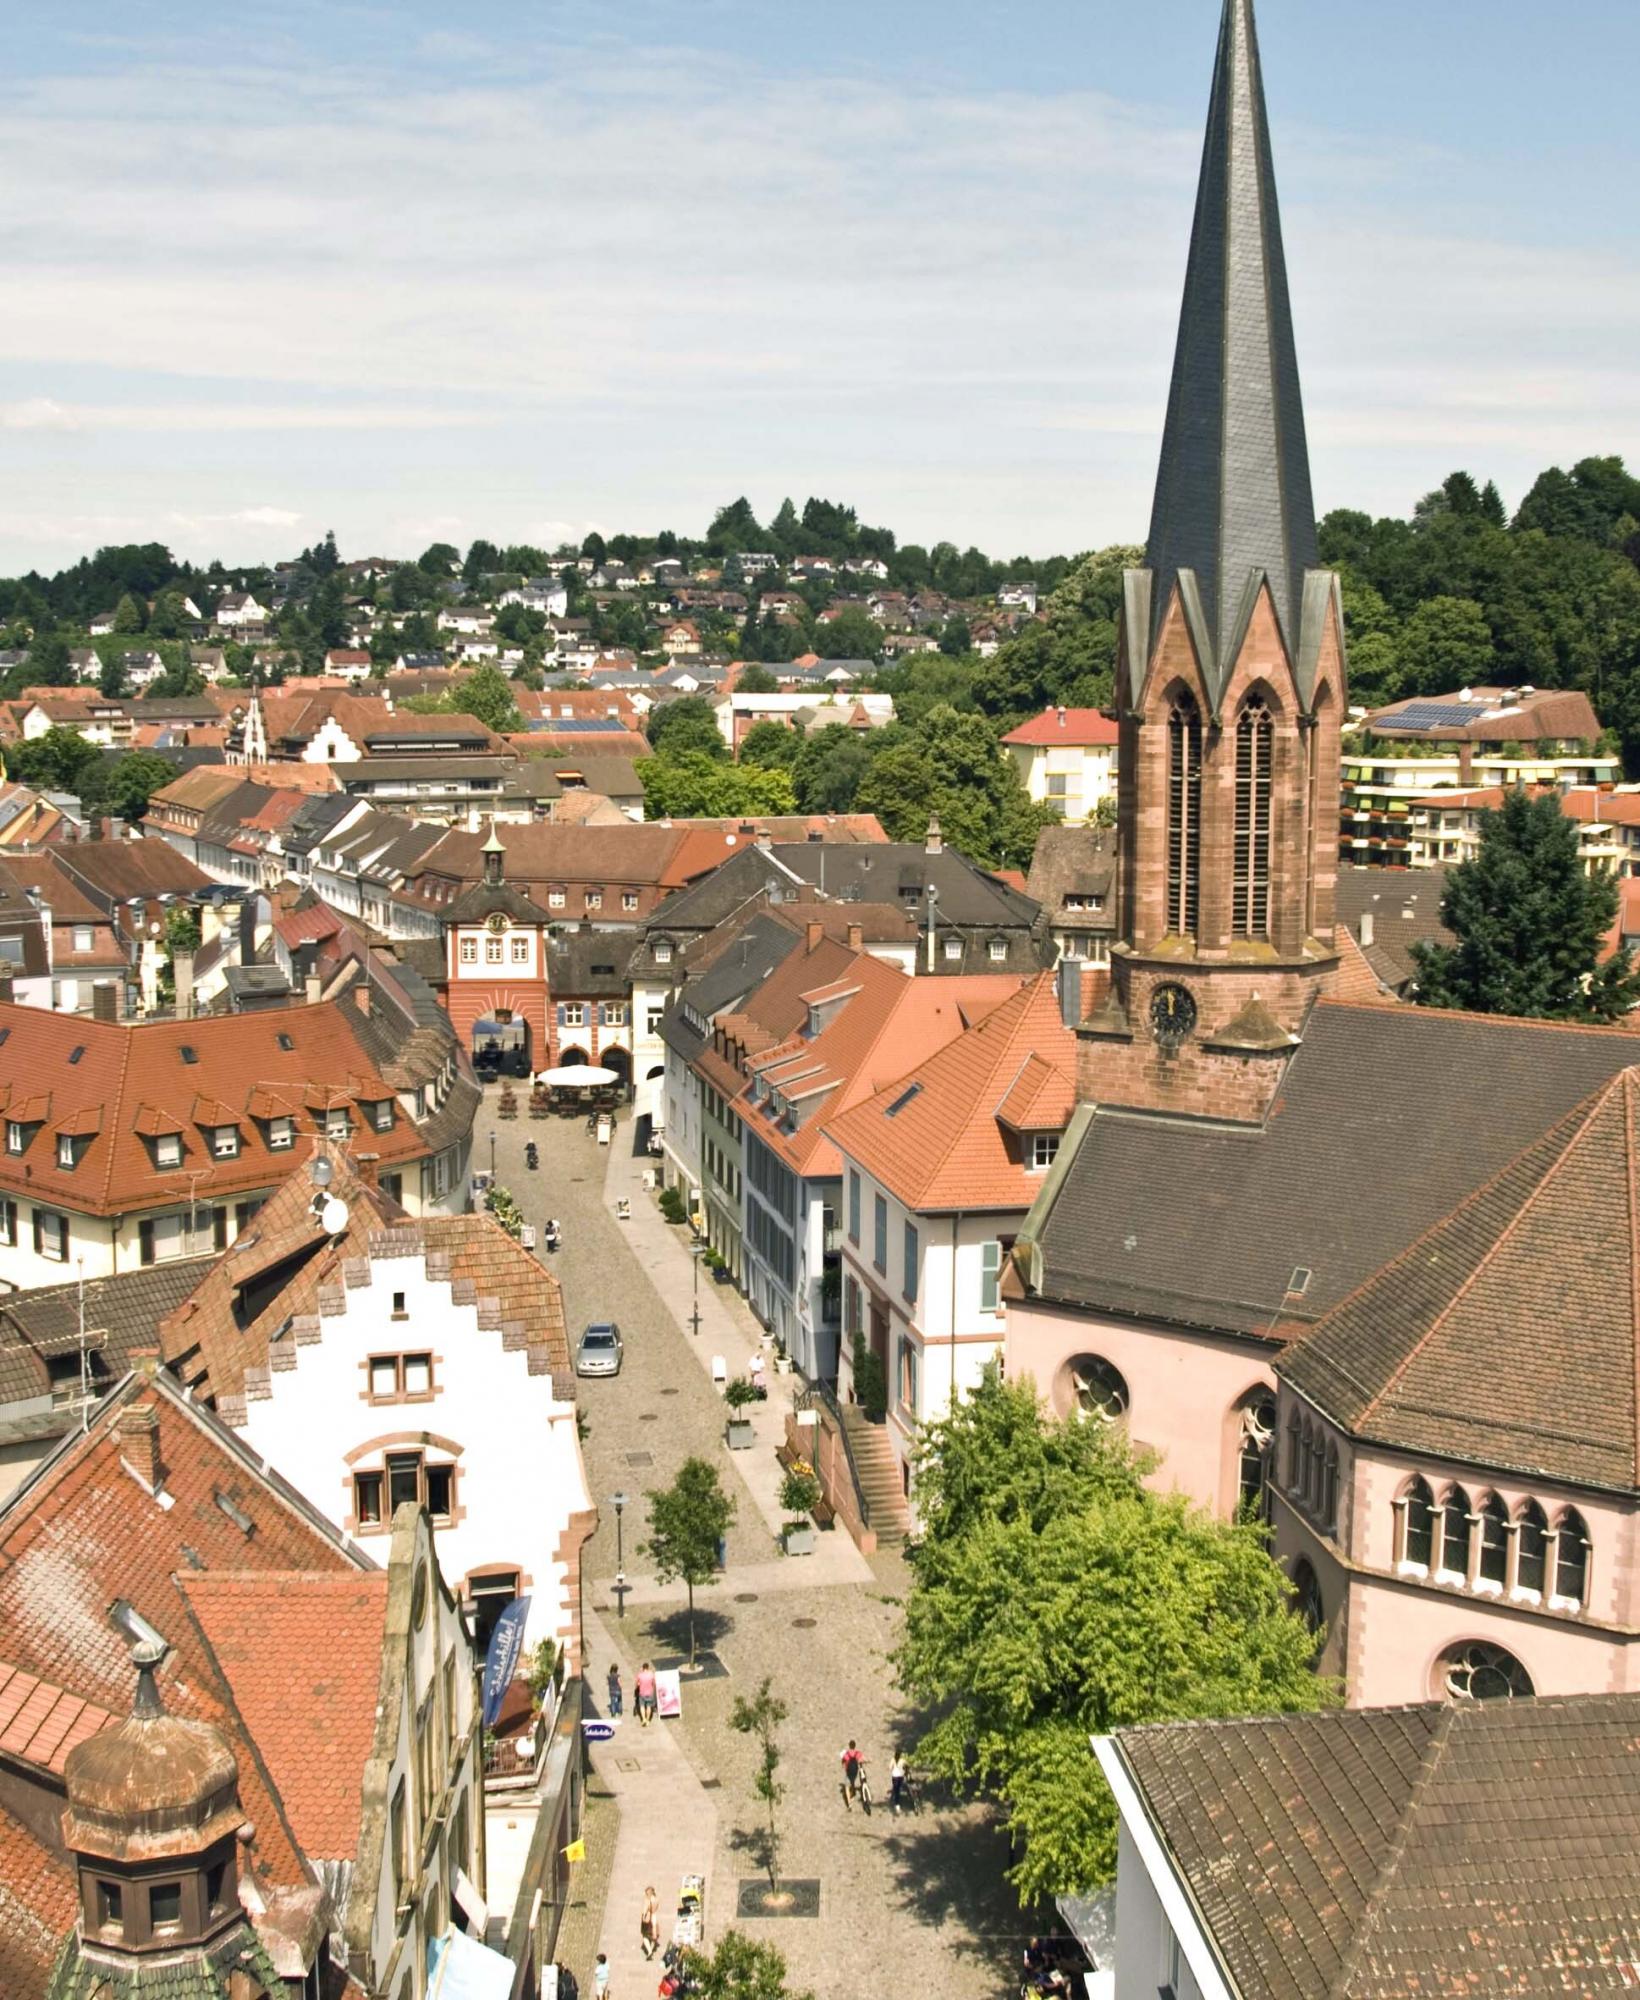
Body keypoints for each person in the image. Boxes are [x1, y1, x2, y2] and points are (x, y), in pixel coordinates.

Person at [839, 1739, 866, 1808]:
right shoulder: (858, 1753)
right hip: (855, 1771)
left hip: (849, 1772)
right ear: (855, 1746)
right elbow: (863, 1759)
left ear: (849, 1746)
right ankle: (853, 1792)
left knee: (847, 1787)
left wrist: (844, 1765)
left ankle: (849, 1803)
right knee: (852, 1781)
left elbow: (843, 1762)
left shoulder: (846, 1754)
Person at [634, 1660, 657, 1727]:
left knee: (642, 1706)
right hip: (650, 1693)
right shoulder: (651, 1674)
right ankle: (647, 1720)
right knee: (649, 1707)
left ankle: (643, 1719)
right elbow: (654, 1683)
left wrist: (638, 1685)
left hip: (642, 1693)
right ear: (648, 1668)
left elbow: (636, 1684)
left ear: (643, 1668)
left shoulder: (640, 1675)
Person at [640, 1884, 660, 1961]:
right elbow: (656, 1908)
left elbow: (644, 1911)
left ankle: (649, 1951)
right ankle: (653, 1947)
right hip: (654, 1918)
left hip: (648, 1920)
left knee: (645, 1935)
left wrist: (643, 1916)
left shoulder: (648, 1901)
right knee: (654, 1935)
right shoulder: (656, 1899)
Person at [889, 1749, 908, 1814]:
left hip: (894, 1776)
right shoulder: (902, 1760)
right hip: (901, 1776)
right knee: (898, 1788)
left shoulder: (893, 1760)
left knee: (896, 1789)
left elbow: (890, 1768)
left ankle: (897, 1804)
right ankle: (897, 1800)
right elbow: (907, 1765)